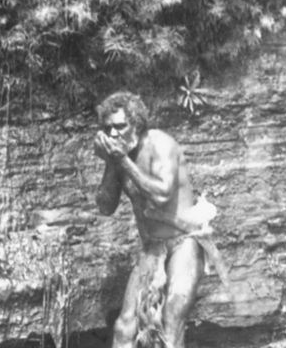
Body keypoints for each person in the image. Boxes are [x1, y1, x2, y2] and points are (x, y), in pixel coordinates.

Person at [93, 91, 224, 348]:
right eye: (108, 128)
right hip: (152, 248)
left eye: (121, 126)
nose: (114, 134)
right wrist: (111, 163)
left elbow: (162, 194)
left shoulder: (160, 144)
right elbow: (105, 206)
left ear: (137, 124)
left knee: (172, 318)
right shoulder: (119, 154)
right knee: (124, 328)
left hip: (184, 242)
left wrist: (122, 162)